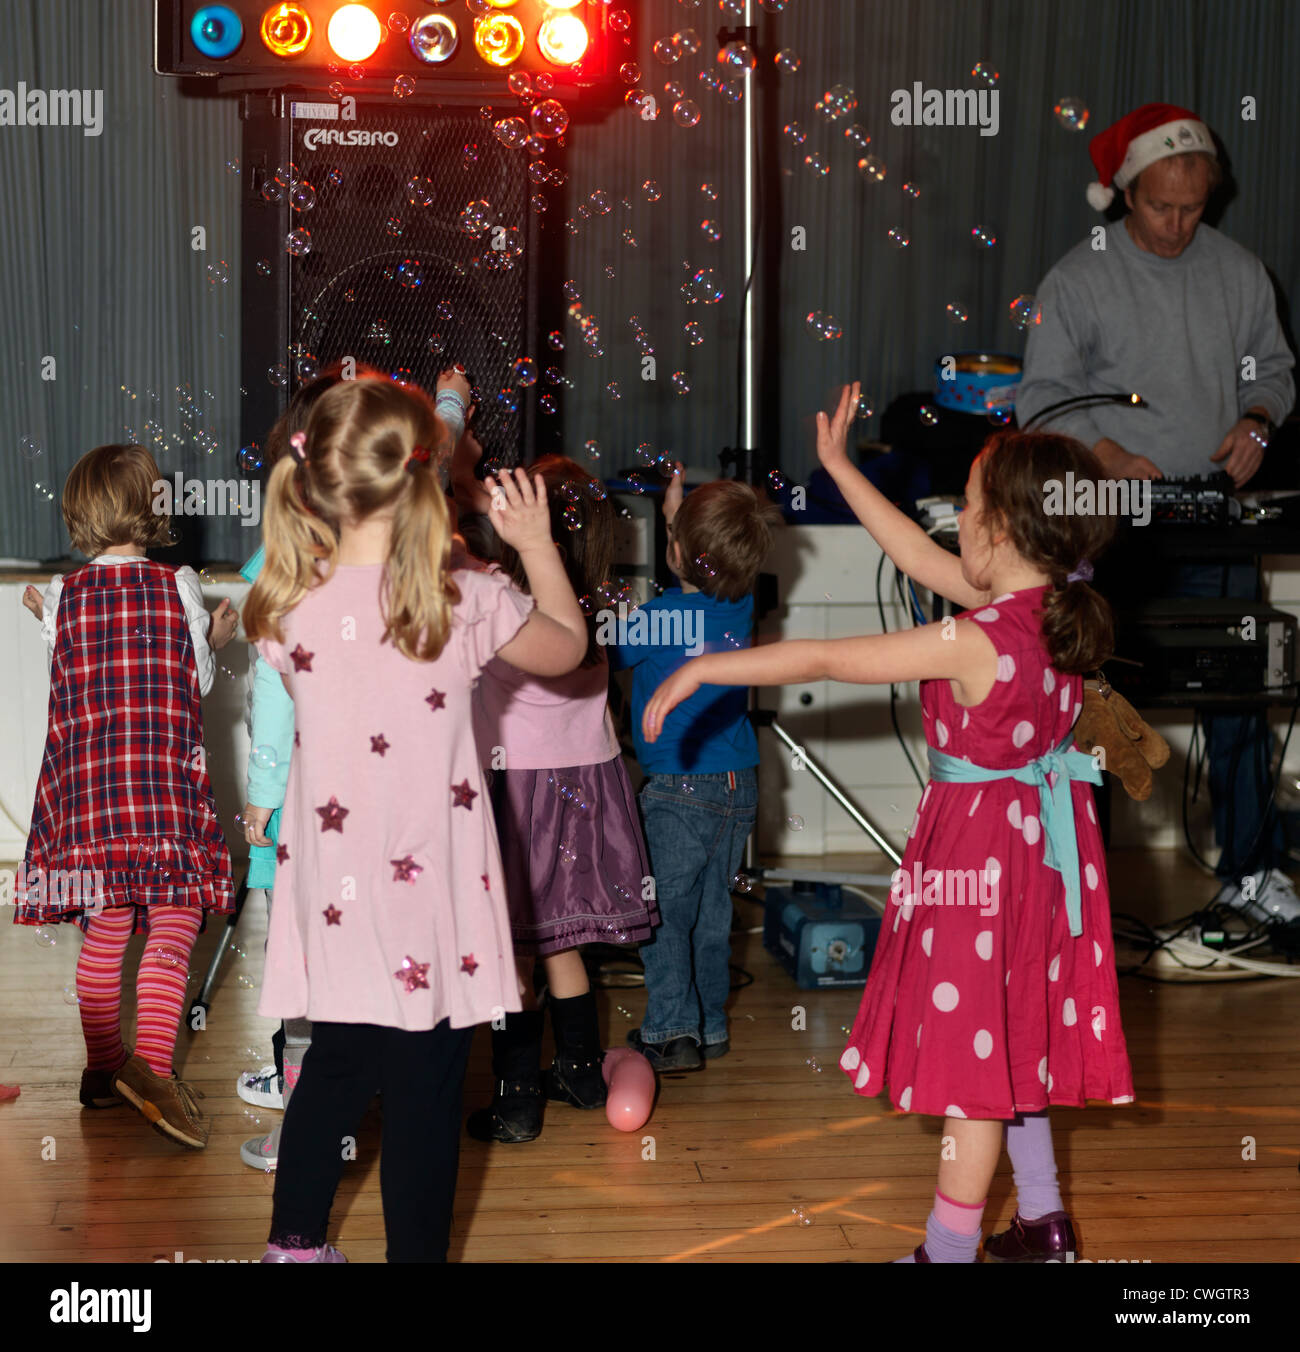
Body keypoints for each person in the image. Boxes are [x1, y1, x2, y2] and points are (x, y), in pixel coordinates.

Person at [643, 387, 1135, 1262]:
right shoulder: (1051, 610)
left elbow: (829, 656)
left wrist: (704, 670)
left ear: (1002, 533)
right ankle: (1045, 1222)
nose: (956, 526)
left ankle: (946, 1251)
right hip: (1042, 863)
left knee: (975, 1080)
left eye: (970, 511)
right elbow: (912, 550)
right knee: (1014, 1037)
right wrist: (837, 468)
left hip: (981, 865)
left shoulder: (978, 638)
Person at [242, 377, 586, 1262]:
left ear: (316, 479)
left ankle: (293, 1245)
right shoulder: (460, 599)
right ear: (426, 480)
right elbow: (567, 649)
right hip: (431, 900)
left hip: (334, 895)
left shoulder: (285, 601)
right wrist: (536, 545)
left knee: (336, 1069)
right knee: (426, 1091)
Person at [1016, 102, 1298, 920]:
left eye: (1194, 208)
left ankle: (1251, 873)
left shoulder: (1239, 274)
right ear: (1120, 193)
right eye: (1160, 207)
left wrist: (1258, 419)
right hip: (1106, 526)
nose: (1179, 226)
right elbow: (1040, 400)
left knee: (1237, 698)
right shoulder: (1076, 280)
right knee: (1096, 704)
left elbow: (1273, 371)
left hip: (1210, 516)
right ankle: (1086, 884)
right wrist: (1101, 452)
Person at [237, 363, 470, 1172]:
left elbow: (274, 713)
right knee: (377, 1023)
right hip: (394, 840)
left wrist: (265, 801)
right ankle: (318, 1108)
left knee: (323, 1004)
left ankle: (304, 1130)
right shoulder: (428, 584)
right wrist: (451, 407)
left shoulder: (286, 583)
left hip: (322, 832)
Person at [16, 443, 238, 1148]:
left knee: (105, 930)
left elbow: (73, 670)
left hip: (90, 802)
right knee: (174, 923)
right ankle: (149, 1069)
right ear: (152, 512)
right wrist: (218, 636)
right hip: (161, 794)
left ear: (80, 516)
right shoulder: (179, 586)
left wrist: (44, 616)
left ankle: (101, 1067)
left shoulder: (64, 595)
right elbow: (192, 684)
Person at [454, 453, 658, 1142]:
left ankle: (515, 1100)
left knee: (513, 950)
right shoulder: (595, 613)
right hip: (588, 791)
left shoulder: (505, 606)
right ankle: (574, 1070)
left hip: (520, 793)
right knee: (560, 942)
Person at [613, 466, 779, 1071]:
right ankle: (709, 1025)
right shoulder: (742, 605)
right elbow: (708, 573)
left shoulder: (655, 618)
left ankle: (670, 1031)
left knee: (664, 914)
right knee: (712, 915)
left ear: (676, 552)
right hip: (739, 786)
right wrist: (681, 528)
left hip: (681, 790)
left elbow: (601, 654)